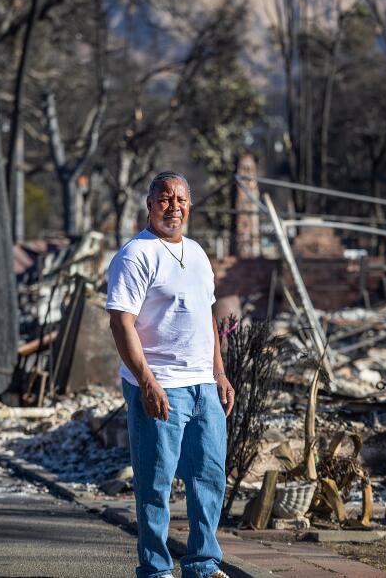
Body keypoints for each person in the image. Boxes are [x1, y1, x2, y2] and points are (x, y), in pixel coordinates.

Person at [106, 171, 235, 578]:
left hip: (203, 387)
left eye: (181, 200)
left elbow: (206, 316)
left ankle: (203, 565)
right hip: (159, 385)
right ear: (150, 205)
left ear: (189, 206)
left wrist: (219, 373)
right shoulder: (135, 255)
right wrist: (147, 381)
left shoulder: (197, 253)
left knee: (209, 478)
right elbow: (121, 323)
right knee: (155, 484)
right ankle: (156, 569)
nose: (173, 207)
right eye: (165, 199)